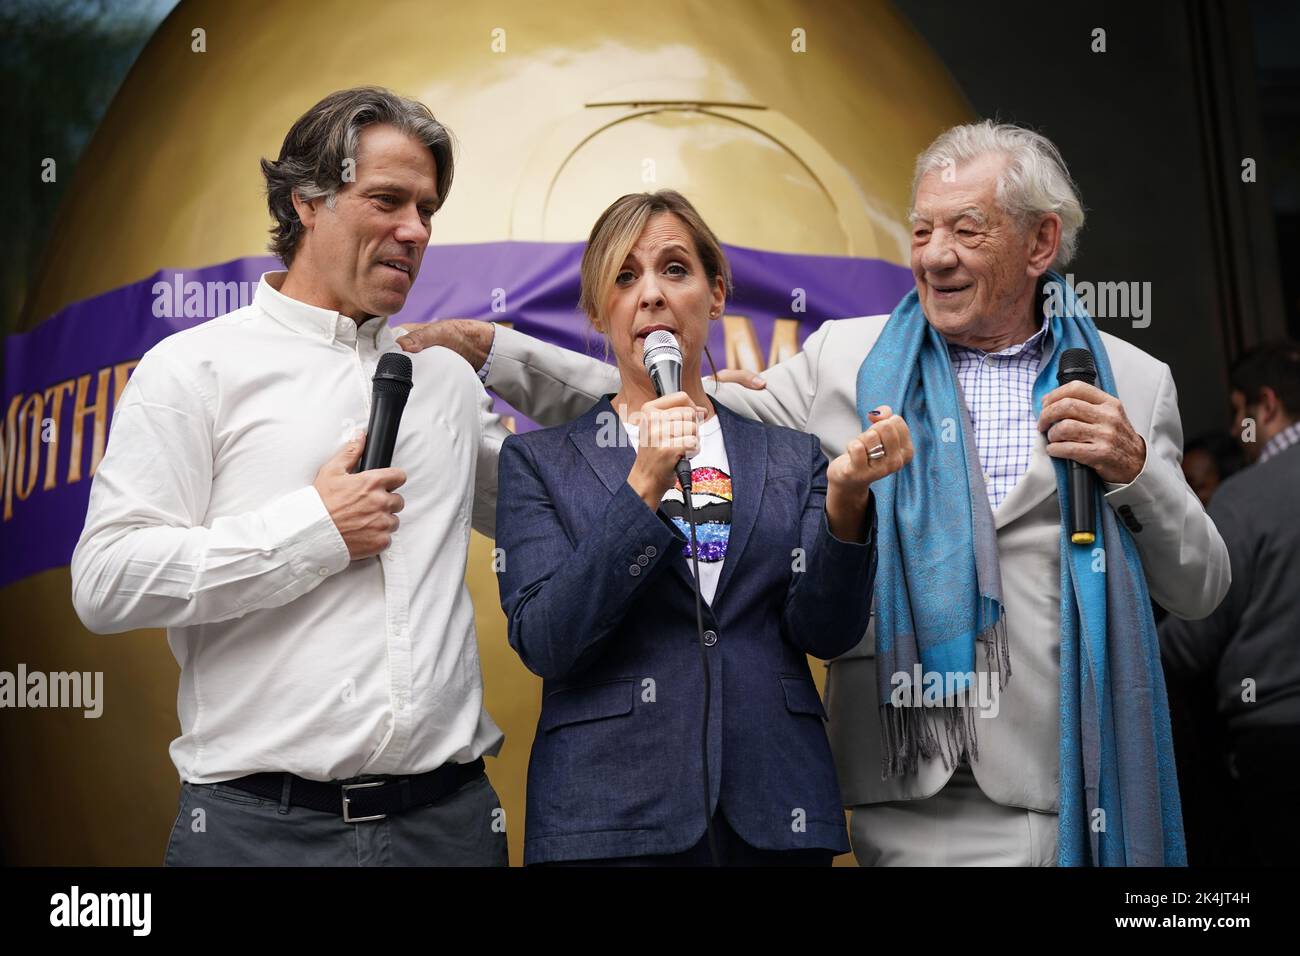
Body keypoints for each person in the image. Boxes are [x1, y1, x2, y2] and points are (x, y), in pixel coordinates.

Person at [400, 121, 1231, 866]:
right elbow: (674, 404)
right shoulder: (845, 359)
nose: (935, 254)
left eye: (966, 230)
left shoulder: (1131, 381)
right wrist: (494, 349)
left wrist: (1133, 469)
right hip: (896, 780)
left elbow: (1198, 587)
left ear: (1041, 242)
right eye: (922, 230)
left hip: (1065, 773)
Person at [70, 87, 509, 866]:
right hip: (258, 836)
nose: (415, 231)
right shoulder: (195, 369)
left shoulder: (443, 380)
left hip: (451, 827)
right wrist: (312, 531)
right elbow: (105, 582)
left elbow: (558, 511)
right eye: (387, 200)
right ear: (308, 200)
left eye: (427, 210)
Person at [492, 190, 911, 865]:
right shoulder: (540, 462)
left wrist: (844, 506)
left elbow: (823, 632)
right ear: (599, 309)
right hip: (610, 822)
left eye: (675, 269)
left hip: (774, 815)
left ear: (716, 295)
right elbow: (547, 641)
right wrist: (644, 483)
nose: (651, 295)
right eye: (624, 277)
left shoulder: (789, 455)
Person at [1160, 341, 1300, 865]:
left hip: (1278, 739)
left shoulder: (1246, 495)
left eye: (1238, 412)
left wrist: (1140, 651)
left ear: (1263, 405)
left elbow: (1197, 633)